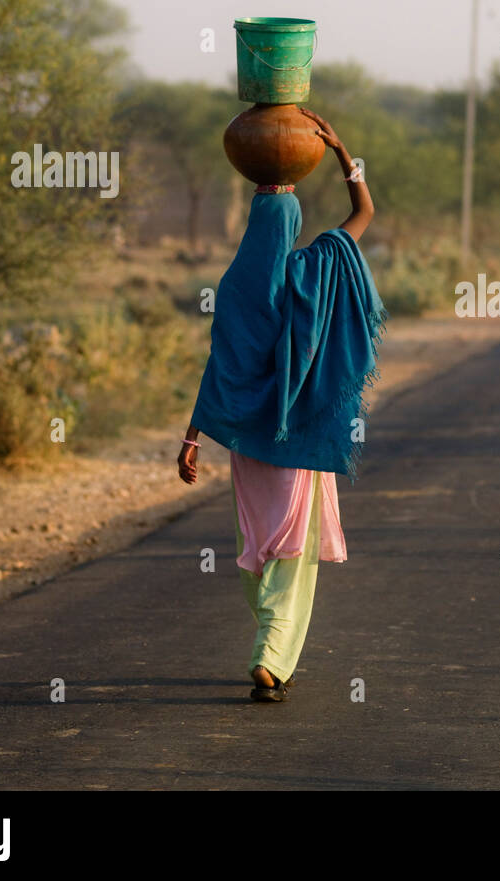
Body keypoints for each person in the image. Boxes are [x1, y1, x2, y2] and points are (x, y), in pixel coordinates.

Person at [178, 109, 385, 702]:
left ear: (252, 228)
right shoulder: (317, 268)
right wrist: (345, 154)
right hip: (297, 440)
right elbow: (364, 213)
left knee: (258, 543)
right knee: (292, 551)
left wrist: (193, 436)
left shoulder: (237, 284)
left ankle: (270, 644)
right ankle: (270, 658)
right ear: (293, 225)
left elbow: (219, 366)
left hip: (248, 443)